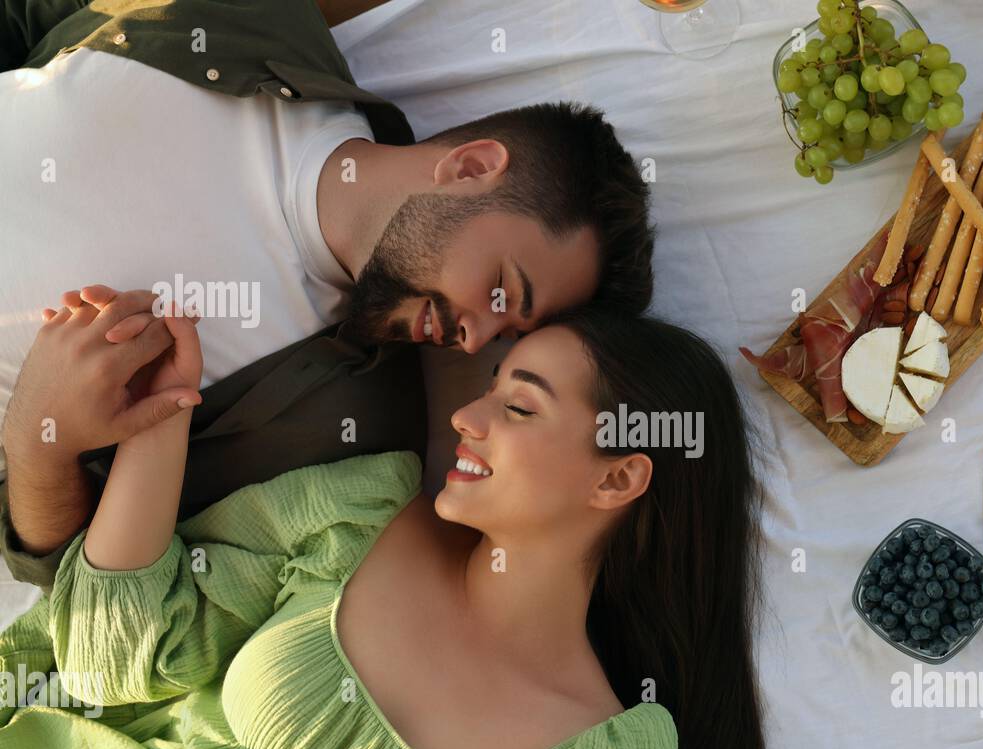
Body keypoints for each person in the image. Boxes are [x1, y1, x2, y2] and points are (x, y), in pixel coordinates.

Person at [0, 297, 779, 749]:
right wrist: (161, 412)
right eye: (489, 386)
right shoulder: (360, 511)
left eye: (518, 405)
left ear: (617, 479)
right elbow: (110, 661)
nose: (470, 415)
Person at [0, 0, 655, 589]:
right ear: (471, 167)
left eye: (504, 332)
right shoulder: (250, 19)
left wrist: (38, 444)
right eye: (502, 290)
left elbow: (79, 582)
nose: (475, 337)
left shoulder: (345, 429)